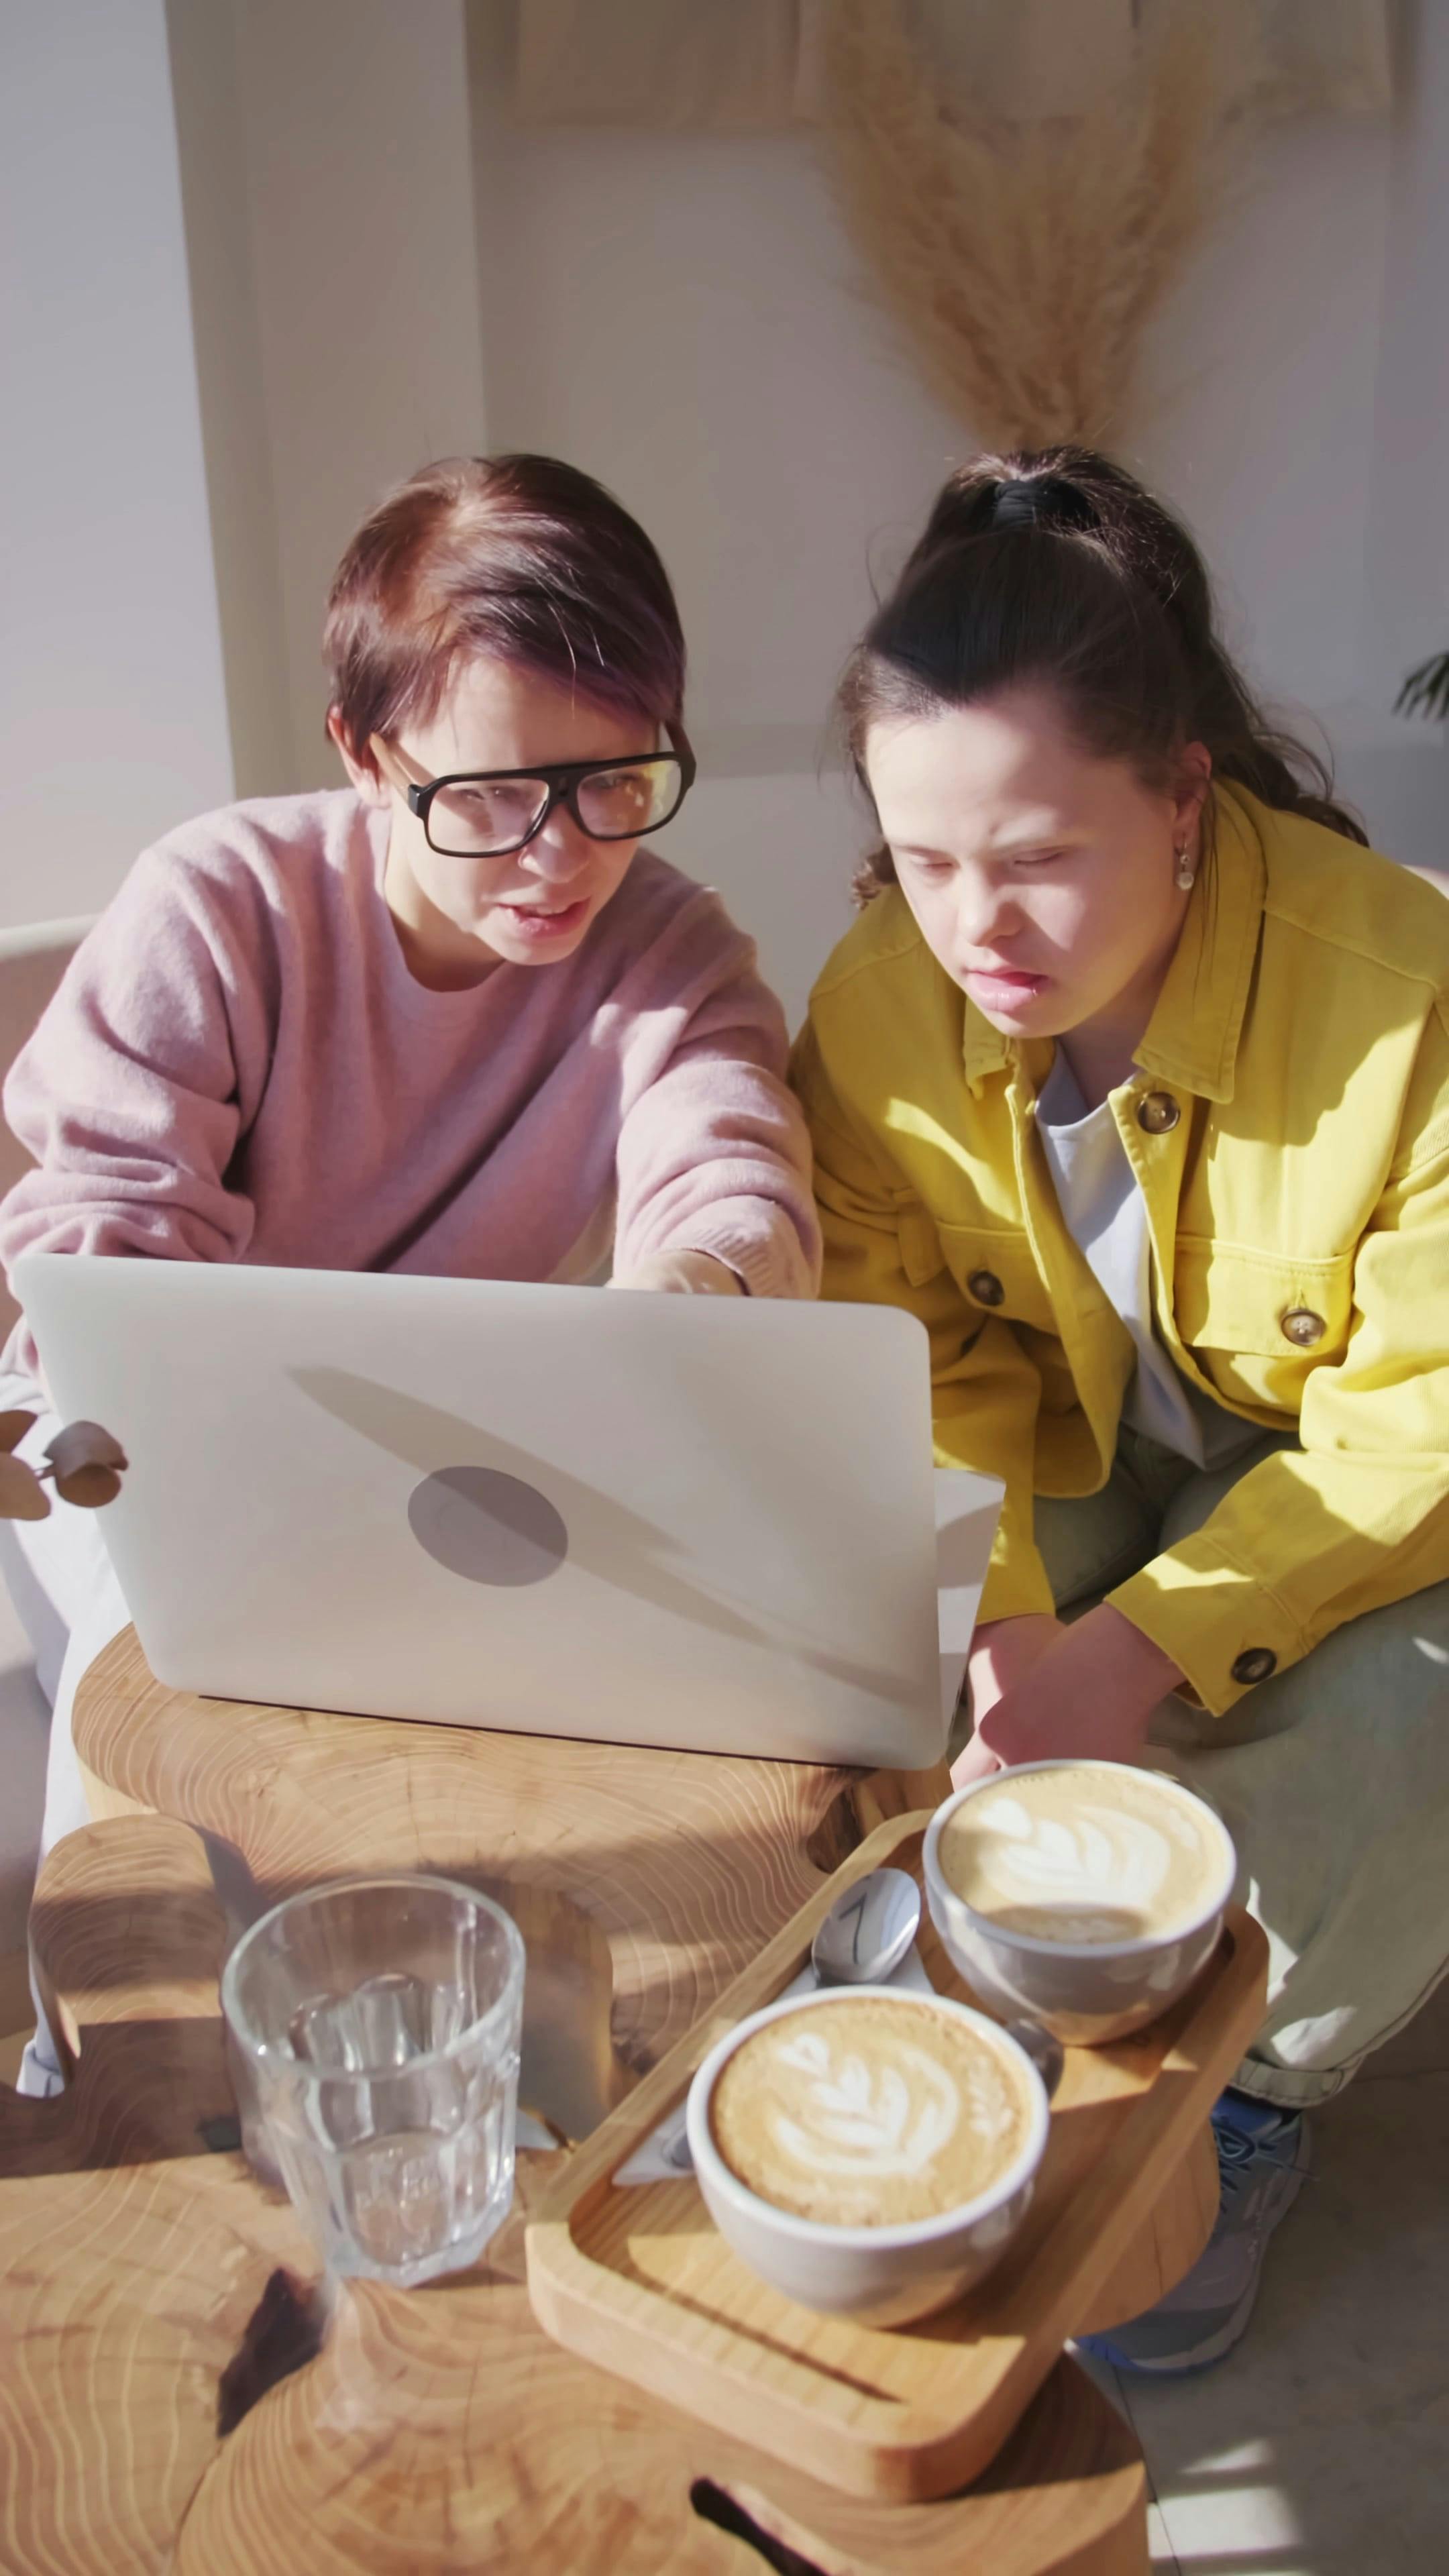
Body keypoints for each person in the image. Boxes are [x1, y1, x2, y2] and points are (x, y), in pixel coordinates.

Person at [0, 452, 820, 2088]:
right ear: (367, 755)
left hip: (449, 1445)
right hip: (137, 1444)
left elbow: (731, 1167)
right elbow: (105, 1243)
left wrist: (688, 1297)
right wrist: (225, 1447)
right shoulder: (218, 905)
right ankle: (96, 2084)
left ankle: (515, 2073)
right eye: (494, 797)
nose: (560, 857)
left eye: (617, 781)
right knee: (168, 1674)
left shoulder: (670, 953)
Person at [792, 445, 1449, 2373]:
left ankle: (1249, 2086)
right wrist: (1007, 1622)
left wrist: (1141, 1649)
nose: (974, 928)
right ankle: (998, 1992)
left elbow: (1420, 1423)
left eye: (1035, 858)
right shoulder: (878, 1003)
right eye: (923, 863)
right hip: (1069, 1449)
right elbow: (898, 1358)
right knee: (878, 1628)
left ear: (1182, 799)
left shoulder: (1407, 991)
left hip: (1356, 1471)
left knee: (1403, 1715)